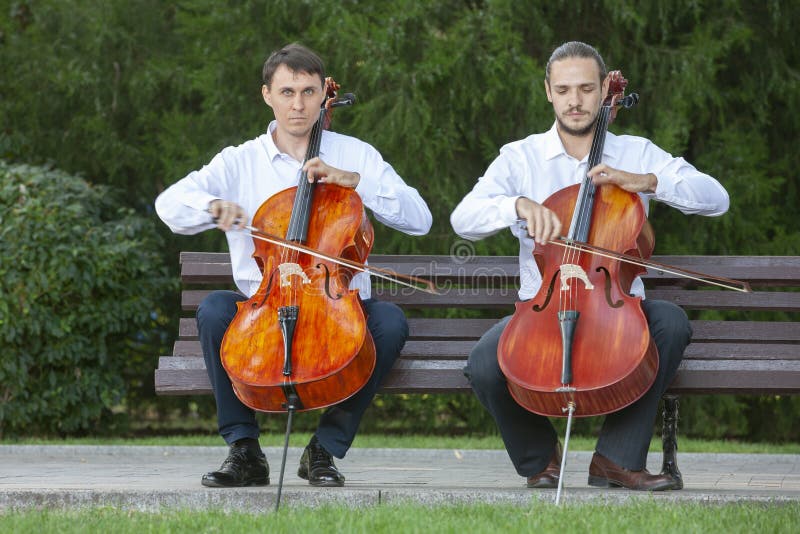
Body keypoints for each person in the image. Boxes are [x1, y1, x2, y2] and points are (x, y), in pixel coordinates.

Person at [450, 41, 729, 491]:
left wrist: (649, 182)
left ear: (604, 91)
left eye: (585, 88)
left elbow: (717, 198)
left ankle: (616, 461)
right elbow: (462, 219)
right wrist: (516, 205)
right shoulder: (519, 157)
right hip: (540, 312)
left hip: (617, 313)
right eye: (564, 90)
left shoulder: (636, 152)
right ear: (548, 92)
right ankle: (540, 460)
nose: (575, 101)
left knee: (671, 325)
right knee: (484, 363)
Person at [156, 43, 432, 488]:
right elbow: (168, 204)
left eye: (308, 91)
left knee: (390, 322)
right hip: (262, 305)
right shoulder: (239, 160)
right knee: (212, 311)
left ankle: (323, 450)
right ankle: (244, 450)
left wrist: (355, 182)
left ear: (325, 94)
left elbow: (420, 218)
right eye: (287, 92)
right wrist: (212, 208)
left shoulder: (357, 155)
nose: (298, 104)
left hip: (339, 306)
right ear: (267, 94)